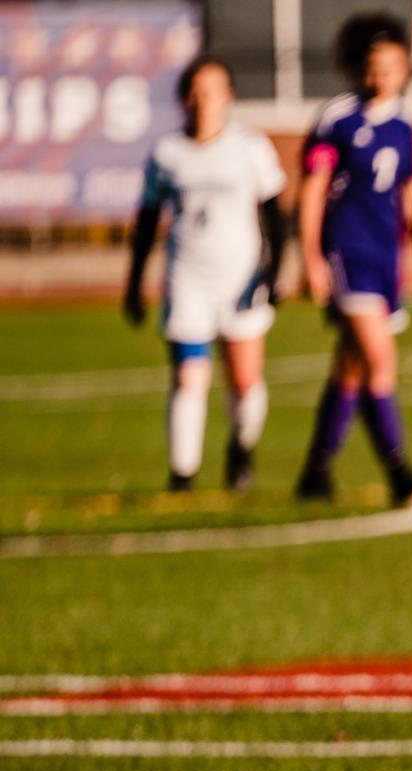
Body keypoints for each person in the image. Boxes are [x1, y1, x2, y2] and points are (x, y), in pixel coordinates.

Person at [294, 12, 412, 505]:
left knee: (353, 367)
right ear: (360, 68)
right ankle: (398, 469)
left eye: (392, 67)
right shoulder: (337, 118)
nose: (382, 76)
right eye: (373, 67)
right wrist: (313, 258)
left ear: (405, 68)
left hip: (386, 258)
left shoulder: (405, 126)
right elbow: (313, 191)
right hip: (349, 253)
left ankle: (315, 472)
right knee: (381, 359)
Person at [123, 57, 286, 493]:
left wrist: (276, 273)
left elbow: (274, 212)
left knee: (245, 380)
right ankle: (183, 475)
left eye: (210, 90)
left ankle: (241, 446)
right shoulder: (167, 153)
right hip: (187, 279)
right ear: (183, 98)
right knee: (188, 376)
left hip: (241, 279)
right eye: (193, 91)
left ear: (228, 96)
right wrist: (134, 284)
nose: (201, 100)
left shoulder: (250, 147)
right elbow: (146, 221)